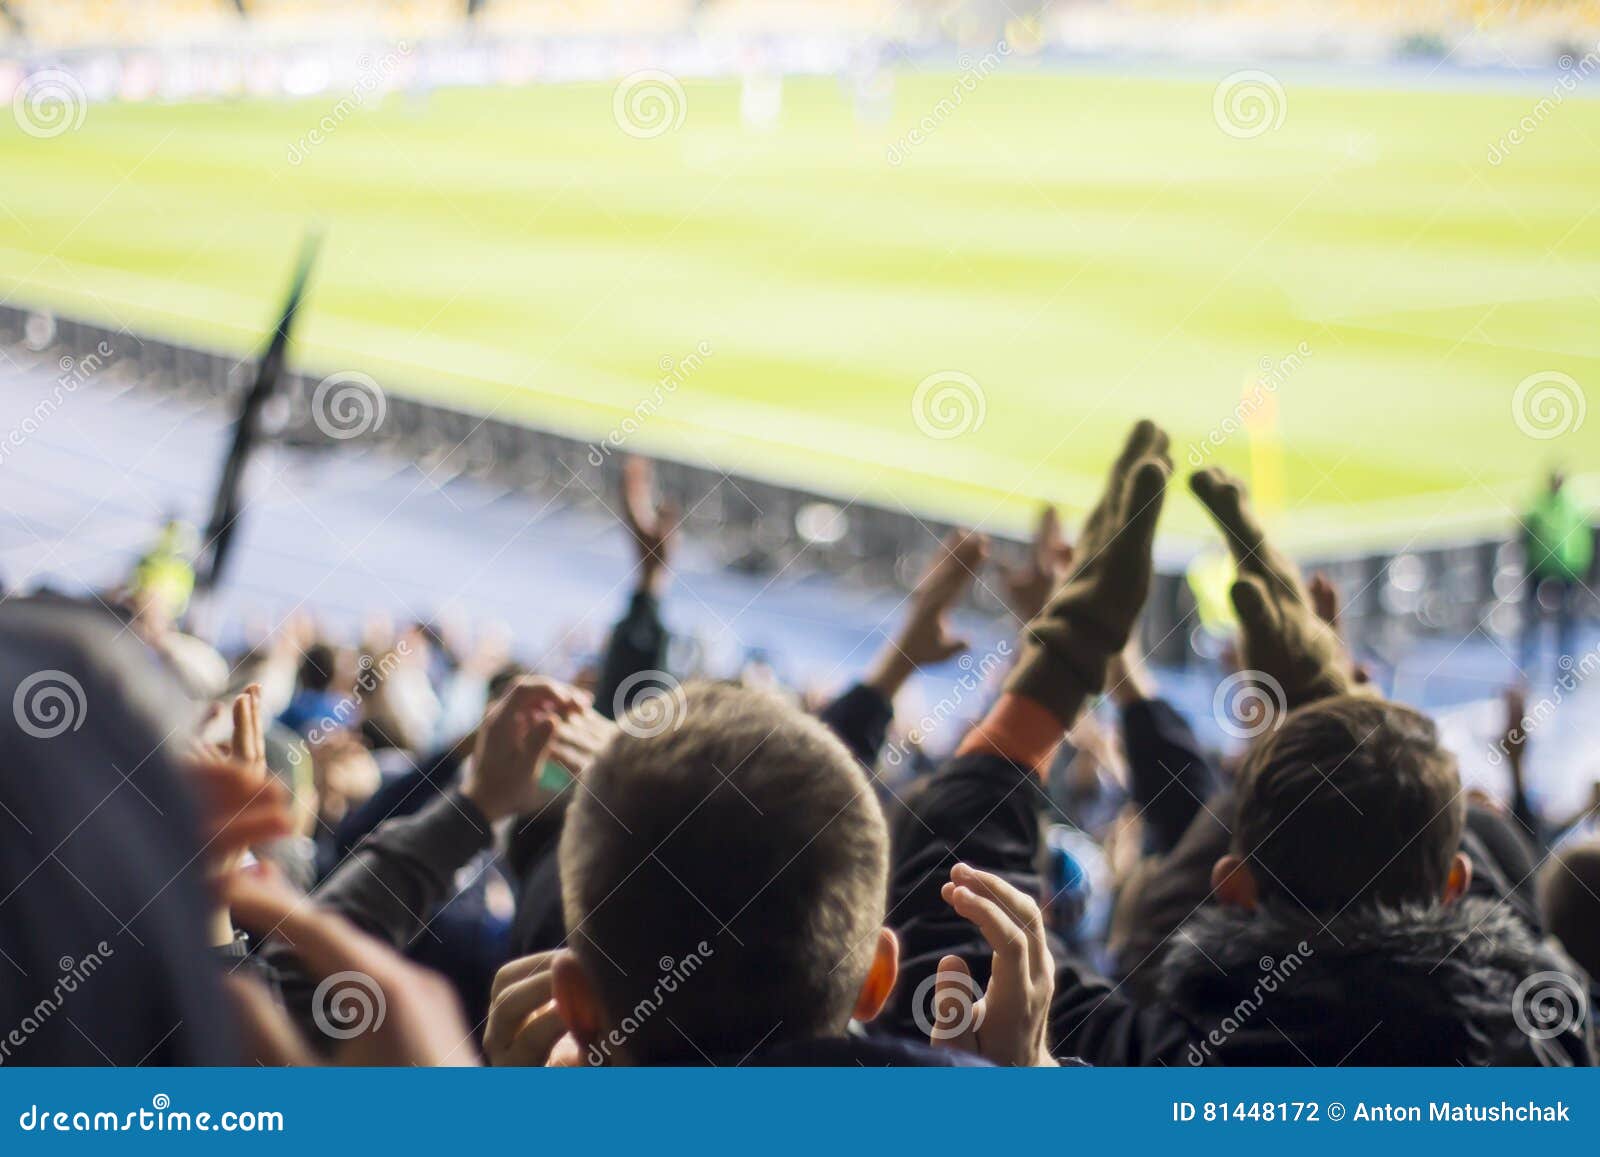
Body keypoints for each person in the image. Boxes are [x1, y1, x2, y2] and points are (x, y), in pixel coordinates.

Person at [881, 423, 1595, 1065]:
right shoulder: (1548, 1037)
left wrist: (1070, 648)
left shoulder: (1163, 1069)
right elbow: (1503, 882)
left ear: (1233, 886)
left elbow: (965, 933)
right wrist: (1336, 694)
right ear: (1453, 884)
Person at [1520, 469, 1593, 678]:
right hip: (1546, 568)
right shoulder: (1543, 505)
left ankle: (1564, 665)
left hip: (1567, 569)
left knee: (1567, 620)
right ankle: (1530, 665)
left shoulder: (1570, 505)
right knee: (1537, 619)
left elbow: (1581, 539)